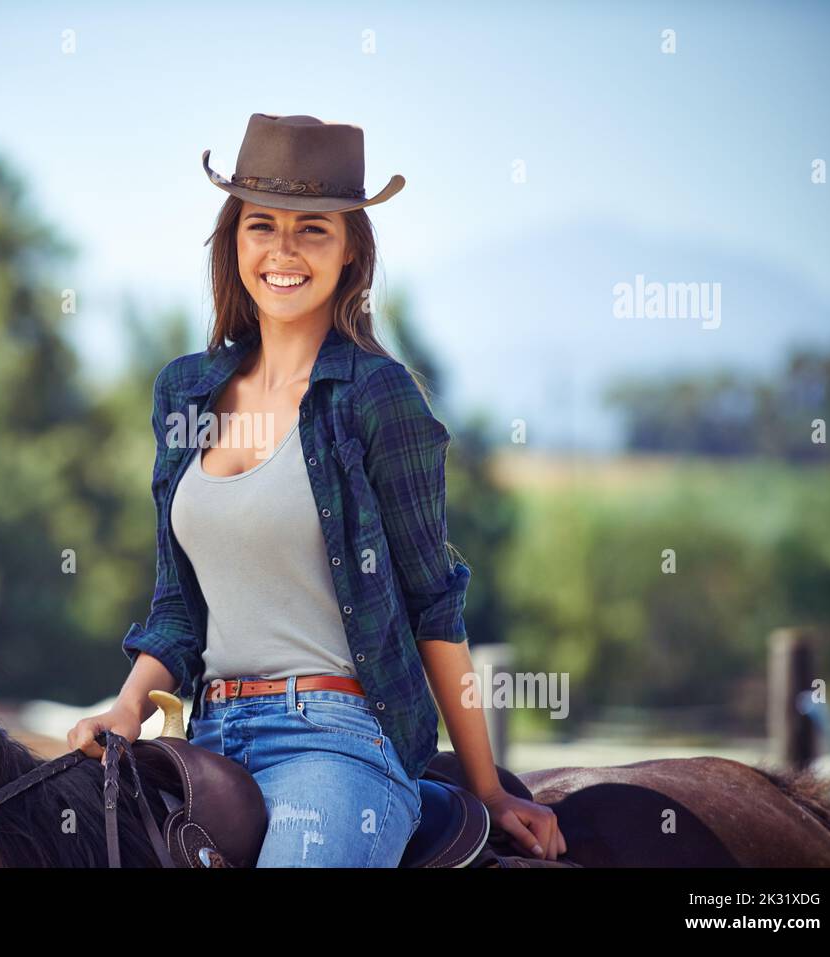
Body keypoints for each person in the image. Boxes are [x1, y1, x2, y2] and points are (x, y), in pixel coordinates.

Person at [68, 113, 565, 867]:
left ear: (351, 254)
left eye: (315, 230)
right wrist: (126, 707)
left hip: (341, 743)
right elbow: (178, 607)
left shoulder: (378, 396)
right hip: (207, 743)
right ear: (234, 241)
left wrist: (488, 787)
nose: (284, 251)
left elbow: (435, 602)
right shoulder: (185, 393)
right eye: (262, 225)